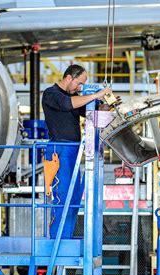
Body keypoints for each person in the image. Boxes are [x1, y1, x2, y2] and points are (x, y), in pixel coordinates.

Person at [42, 64, 112, 239]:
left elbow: (87, 110)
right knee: (62, 198)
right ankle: (57, 240)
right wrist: (96, 94)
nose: (80, 88)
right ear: (68, 78)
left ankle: (65, 237)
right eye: (79, 83)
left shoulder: (73, 97)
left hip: (73, 151)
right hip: (59, 151)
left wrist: (104, 106)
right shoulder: (51, 94)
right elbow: (68, 104)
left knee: (73, 200)